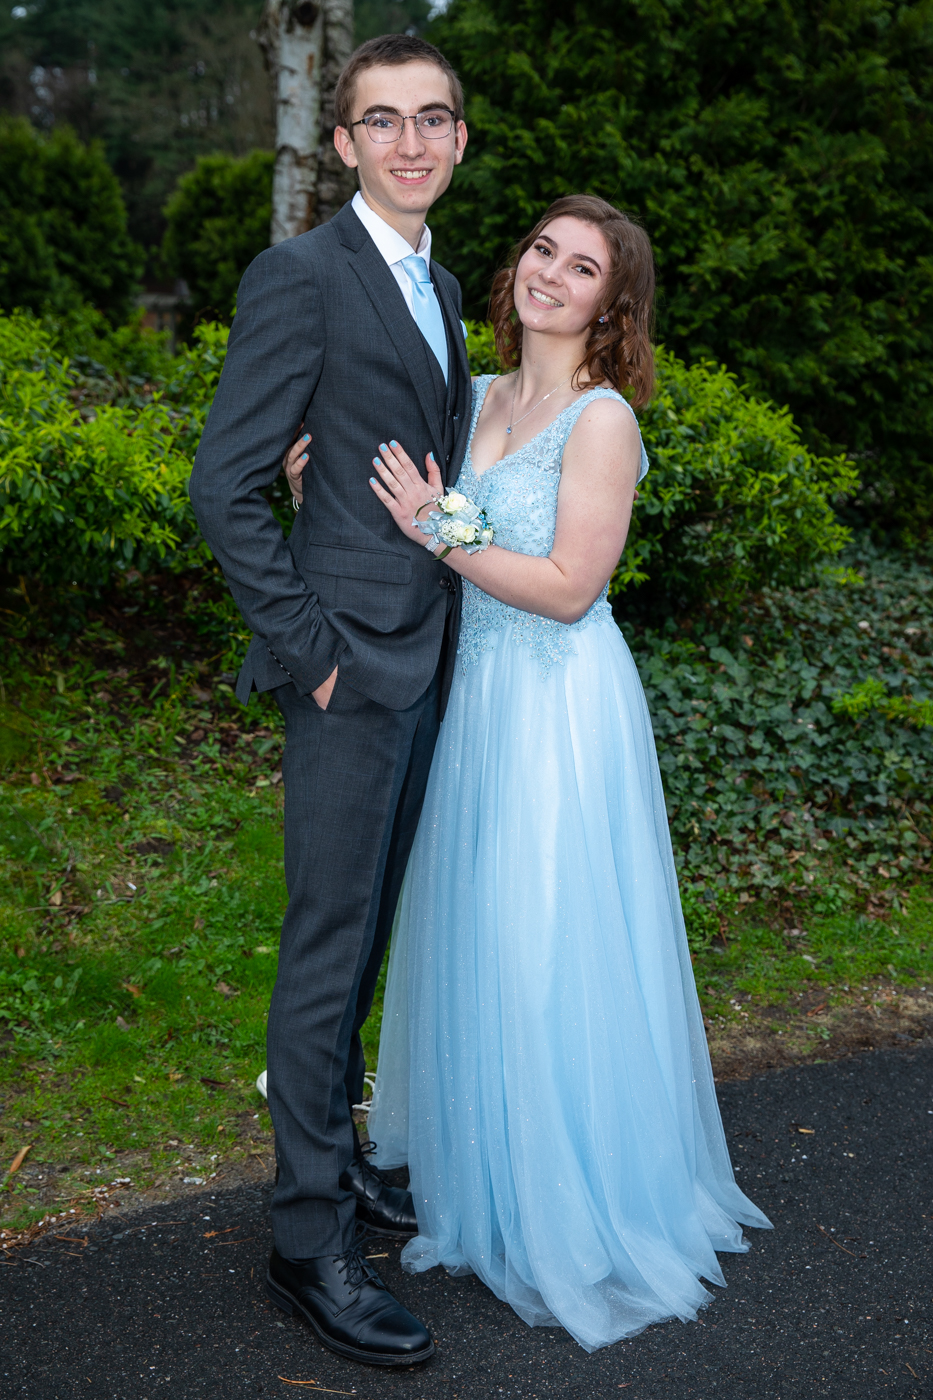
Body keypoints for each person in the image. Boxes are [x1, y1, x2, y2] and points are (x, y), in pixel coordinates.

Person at [347, 194, 773, 1351]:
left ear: (610, 301)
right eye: (543, 248)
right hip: (474, 701)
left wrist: (439, 526)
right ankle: (487, 1175)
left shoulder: (601, 422)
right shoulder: (477, 396)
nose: (550, 272)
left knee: (548, 942)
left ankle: (566, 1207)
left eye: (581, 266)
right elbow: (405, 508)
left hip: (557, 707)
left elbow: (572, 584)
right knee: (481, 932)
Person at [189, 34, 473, 1368]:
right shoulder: (297, 275)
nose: (408, 141)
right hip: (348, 671)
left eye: (432, 119)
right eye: (382, 120)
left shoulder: (442, 282)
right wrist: (311, 649)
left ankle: (342, 1155)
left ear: (458, 142)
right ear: (345, 143)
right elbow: (220, 486)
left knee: (361, 939)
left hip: (430, 655)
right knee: (323, 948)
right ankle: (307, 1239)